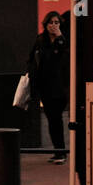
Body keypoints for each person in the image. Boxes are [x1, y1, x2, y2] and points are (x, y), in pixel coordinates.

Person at [28, 11, 69, 164]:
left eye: (56, 22)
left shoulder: (63, 40)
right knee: (51, 119)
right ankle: (57, 151)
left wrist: (59, 38)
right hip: (45, 85)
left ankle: (61, 152)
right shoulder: (40, 40)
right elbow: (32, 59)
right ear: (45, 24)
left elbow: (63, 59)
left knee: (56, 119)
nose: (53, 25)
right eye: (51, 22)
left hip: (60, 86)